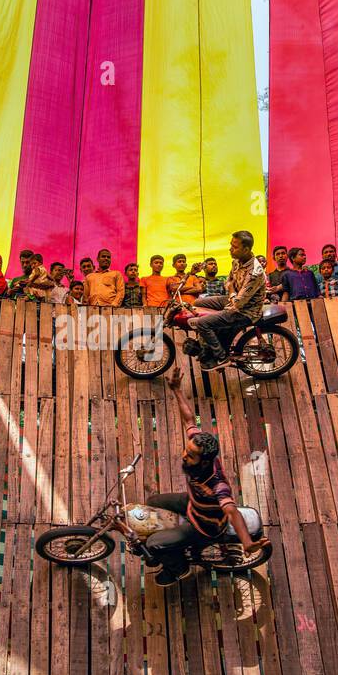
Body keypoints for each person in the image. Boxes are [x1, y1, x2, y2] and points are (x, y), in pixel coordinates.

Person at [143, 368, 266, 586]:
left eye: (190, 456)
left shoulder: (217, 484)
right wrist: (177, 391)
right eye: (186, 450)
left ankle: (179, 570)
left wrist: (247, 542)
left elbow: (231, 510)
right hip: (193, 503)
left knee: (154, 543)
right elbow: (189, 420)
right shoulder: (199, 448)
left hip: (204, 526)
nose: (184, 455)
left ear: (205, 461)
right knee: (152, 502)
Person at [187, 231, 266, 371]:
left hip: (246, 311)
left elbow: (238, 303)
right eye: (231, 245)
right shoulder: (236, 261)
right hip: (232, 299)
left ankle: (221, 357)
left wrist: (230, 290)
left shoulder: (255, 272)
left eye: (234, 247)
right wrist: (230, 289)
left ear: (246, 249)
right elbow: (229, 281)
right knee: (197, 303)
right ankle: (207, 343)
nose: (230, 249)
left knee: (203, 323)